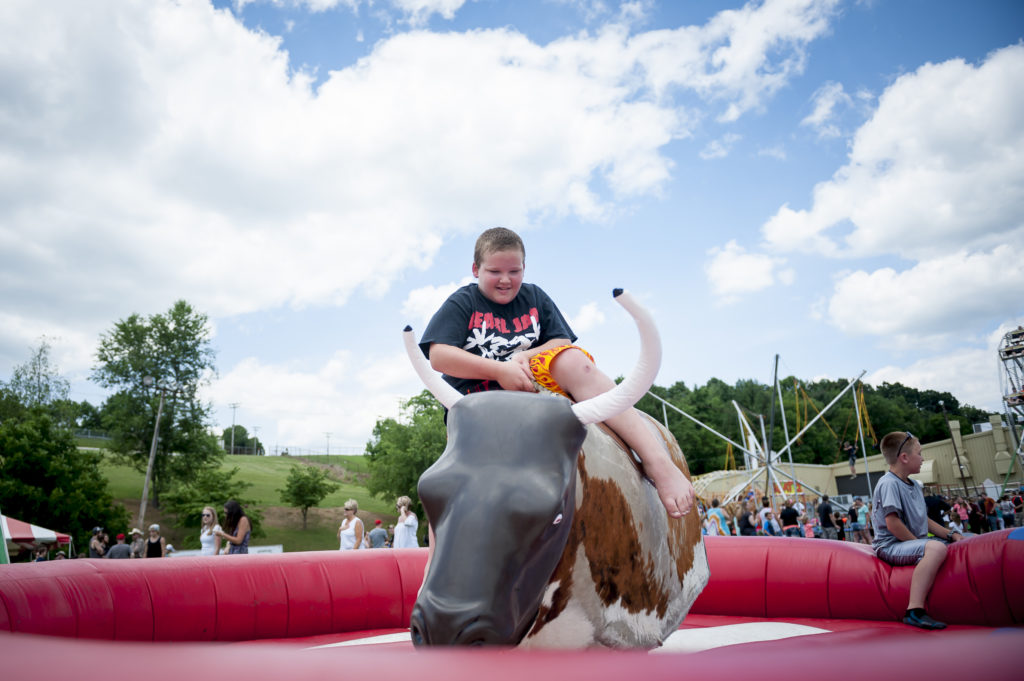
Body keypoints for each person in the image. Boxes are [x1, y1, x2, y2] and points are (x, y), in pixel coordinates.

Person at [418, 227, 694, 519]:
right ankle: (440, 553)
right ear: (475, 269)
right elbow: (439, 355)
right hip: (477, 403)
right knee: (447, 493)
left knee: (575, 361)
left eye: (514, 271)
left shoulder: (534, 296)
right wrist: (500, 370)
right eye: (494, 271)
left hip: (534, 392)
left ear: (525, 268)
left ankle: (657, 461)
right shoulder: (463, 303)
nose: (505, 279)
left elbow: (561, 340)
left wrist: (523, 356)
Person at [872, 431, 961, 630]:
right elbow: (892, 523)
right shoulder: (888, 484)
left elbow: (925, 520)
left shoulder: (913, 485)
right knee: (936, 549)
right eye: (920, 453)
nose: (923, 459)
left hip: (911, 543)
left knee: (966, 539)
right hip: (890, 545)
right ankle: (914, 611)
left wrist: (952, 534)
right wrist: (920, 545)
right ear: (904, 457)